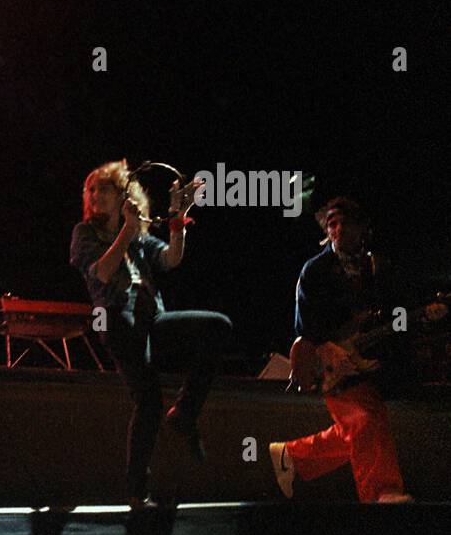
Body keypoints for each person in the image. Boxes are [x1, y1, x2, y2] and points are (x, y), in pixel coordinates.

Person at [69, 159, 231, 509]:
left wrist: (178, 217)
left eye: (104, 188)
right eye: (91, 189)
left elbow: (172, 258)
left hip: (151, 317)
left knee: (218, 326)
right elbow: (102, 275)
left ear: (125, 194)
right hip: (114, 316)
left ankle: (186, 412)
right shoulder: (85, 234)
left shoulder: (140, 238)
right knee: (149, 401)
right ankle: (135, 491)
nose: (95, 194)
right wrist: (127, 231)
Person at [269, 197, 444, 503]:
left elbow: (396, 315)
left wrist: (421, 316)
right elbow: (305, 323)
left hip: (373, 360)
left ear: (361, 227)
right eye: (331, 223)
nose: (336, 229)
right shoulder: (315, 270)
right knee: (364, 419)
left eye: (344, 222)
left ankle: (292, 455)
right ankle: (382, 493)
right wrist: (326, 348)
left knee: (361, 427)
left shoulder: (378, 265)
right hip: (335, 364)